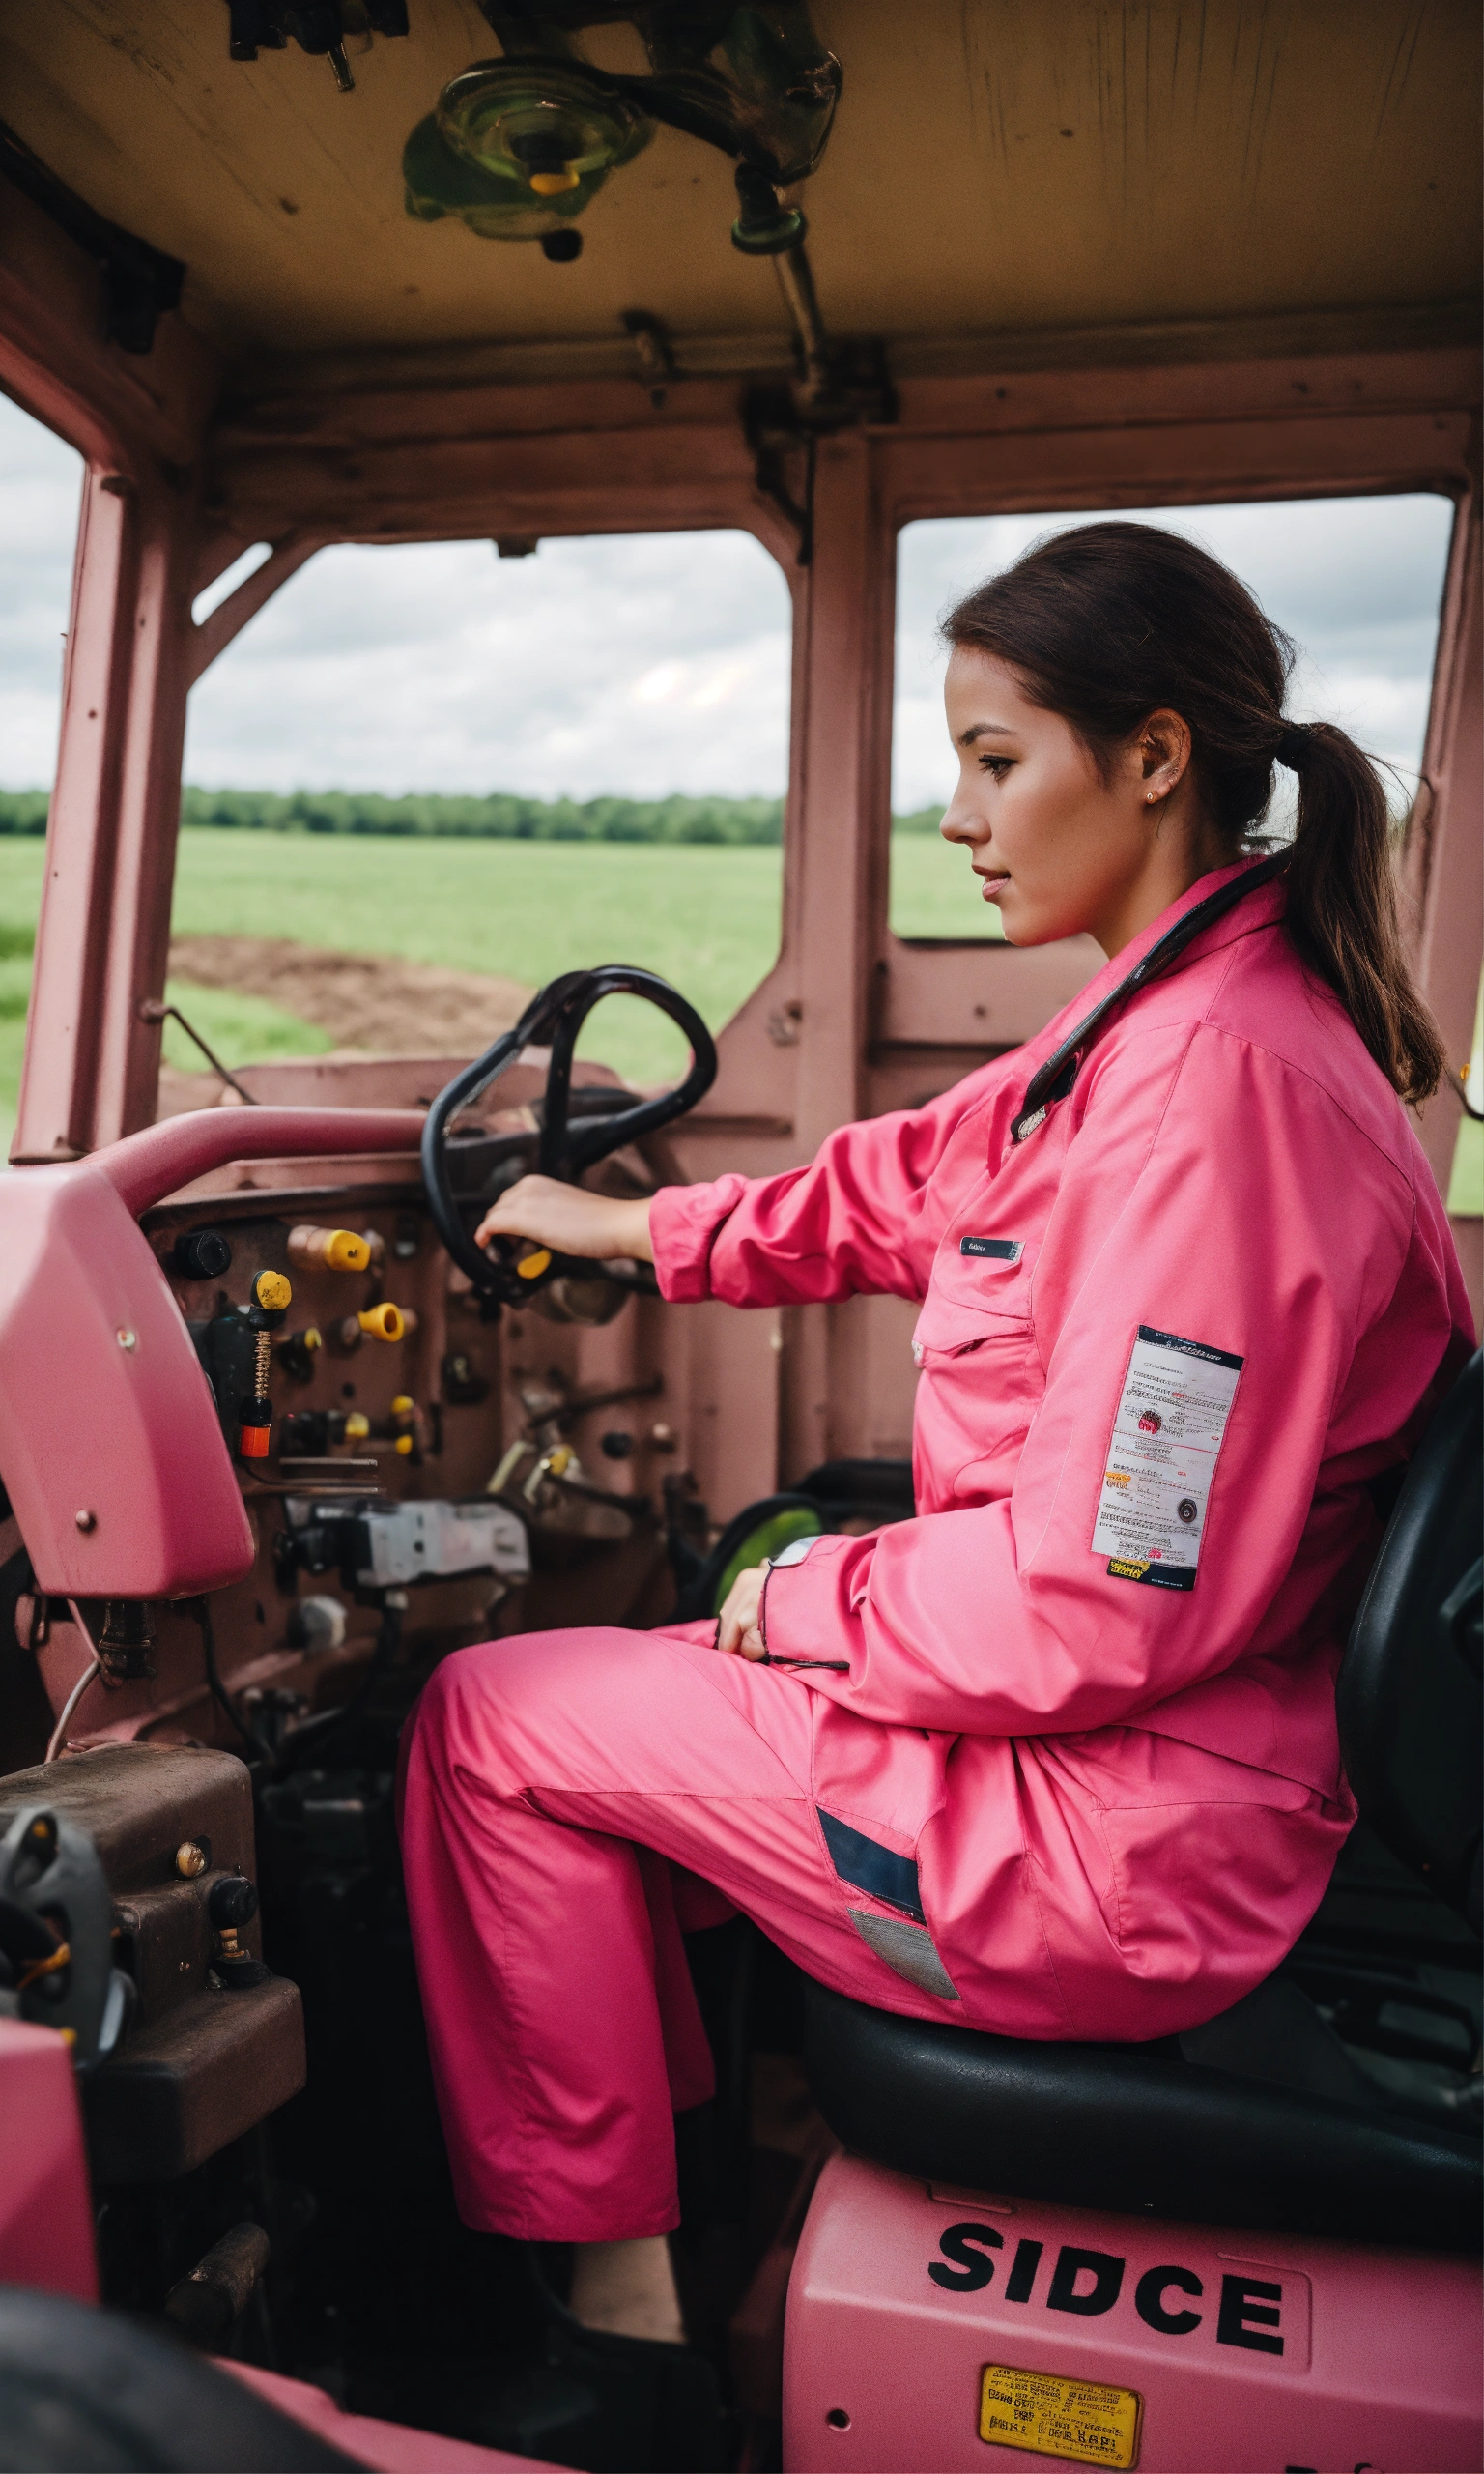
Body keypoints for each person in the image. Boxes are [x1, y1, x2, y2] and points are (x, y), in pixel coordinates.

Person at [397, 521, 1473, 2346]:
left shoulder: (1216, 1106)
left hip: (1113, 1851)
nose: (958, 818)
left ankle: (605, 2355)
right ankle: (699, 2241)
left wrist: (807, 1596)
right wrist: (629, 1230)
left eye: (995, 762)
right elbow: (908, 1189)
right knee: (607, 1703)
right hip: (1142, 1772)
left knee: (490, 1723)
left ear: (1150, 759)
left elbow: (1096, 1608)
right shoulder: (1159, 1032)